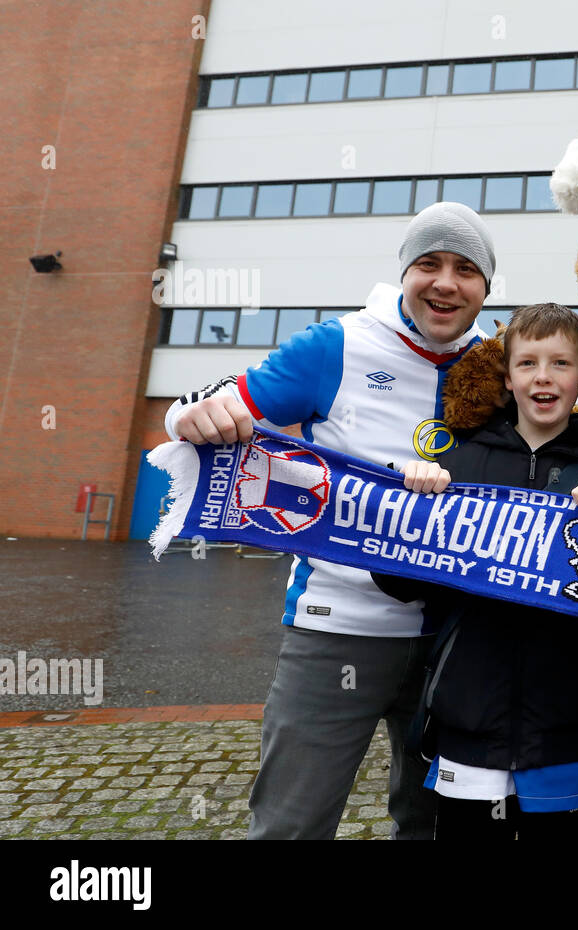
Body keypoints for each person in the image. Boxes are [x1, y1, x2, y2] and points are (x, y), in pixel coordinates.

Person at [164, 202, 497, 839]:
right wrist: (187, 417)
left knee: (436, 826)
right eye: (429, 264)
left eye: (466, 269)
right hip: (338, 628)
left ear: (485, 287)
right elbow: (213, 406)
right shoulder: (336, 344)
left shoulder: (500, 364)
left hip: (457, 638)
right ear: (405, 273)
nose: (446, 282)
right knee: (293, 823)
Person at [379, 303, 578, 840]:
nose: (543, 377)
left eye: (560, 363)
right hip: (466, 715)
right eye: (527, 363)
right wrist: (407, 510)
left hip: (568, 718)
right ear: (507, 376)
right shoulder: (458, 463)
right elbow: (397, 584)